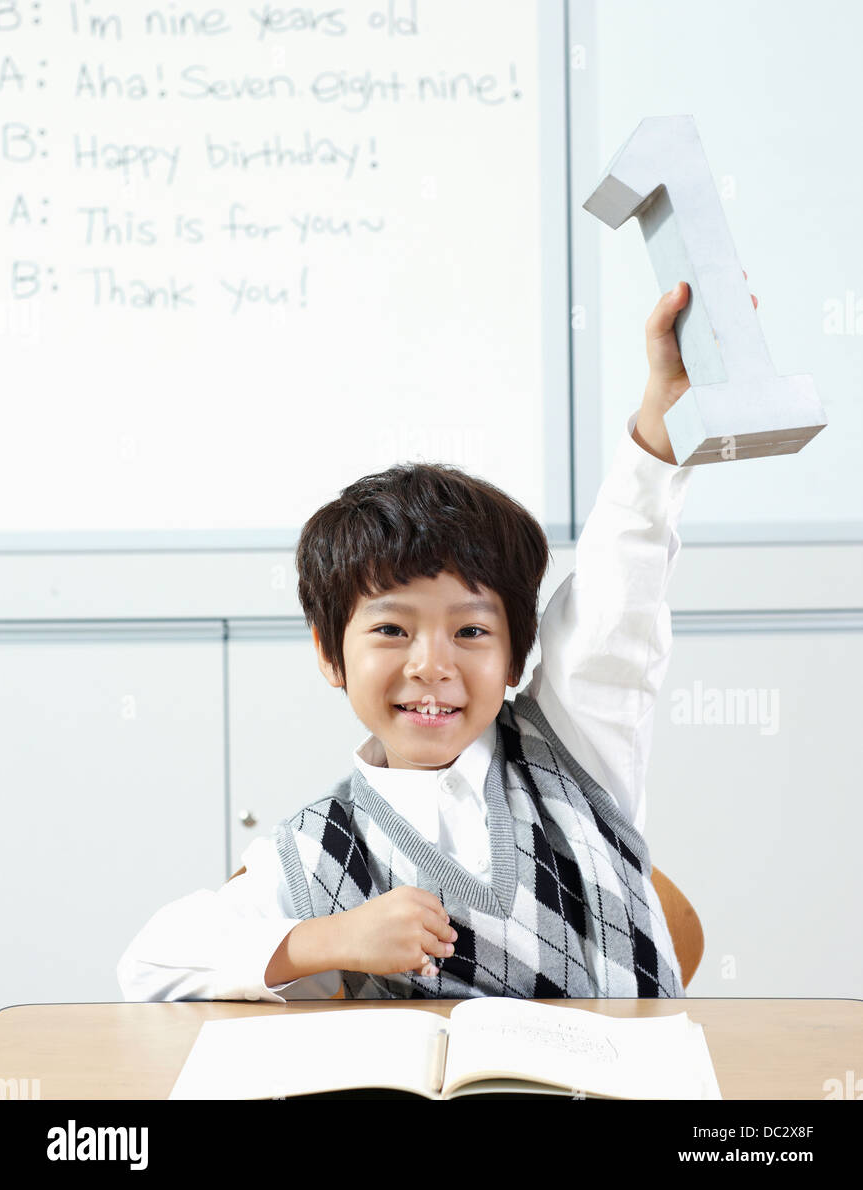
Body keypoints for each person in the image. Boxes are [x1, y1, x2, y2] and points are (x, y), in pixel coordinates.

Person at [117, 278, 759, 1003]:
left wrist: (661, 429)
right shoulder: (316, 852)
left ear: (517, 654)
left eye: (472, 631)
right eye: (392, 629)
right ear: (331, 654)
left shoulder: (575, 745)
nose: (432, 665)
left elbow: (618, 596)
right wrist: (326, 940)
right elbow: (148, 966)